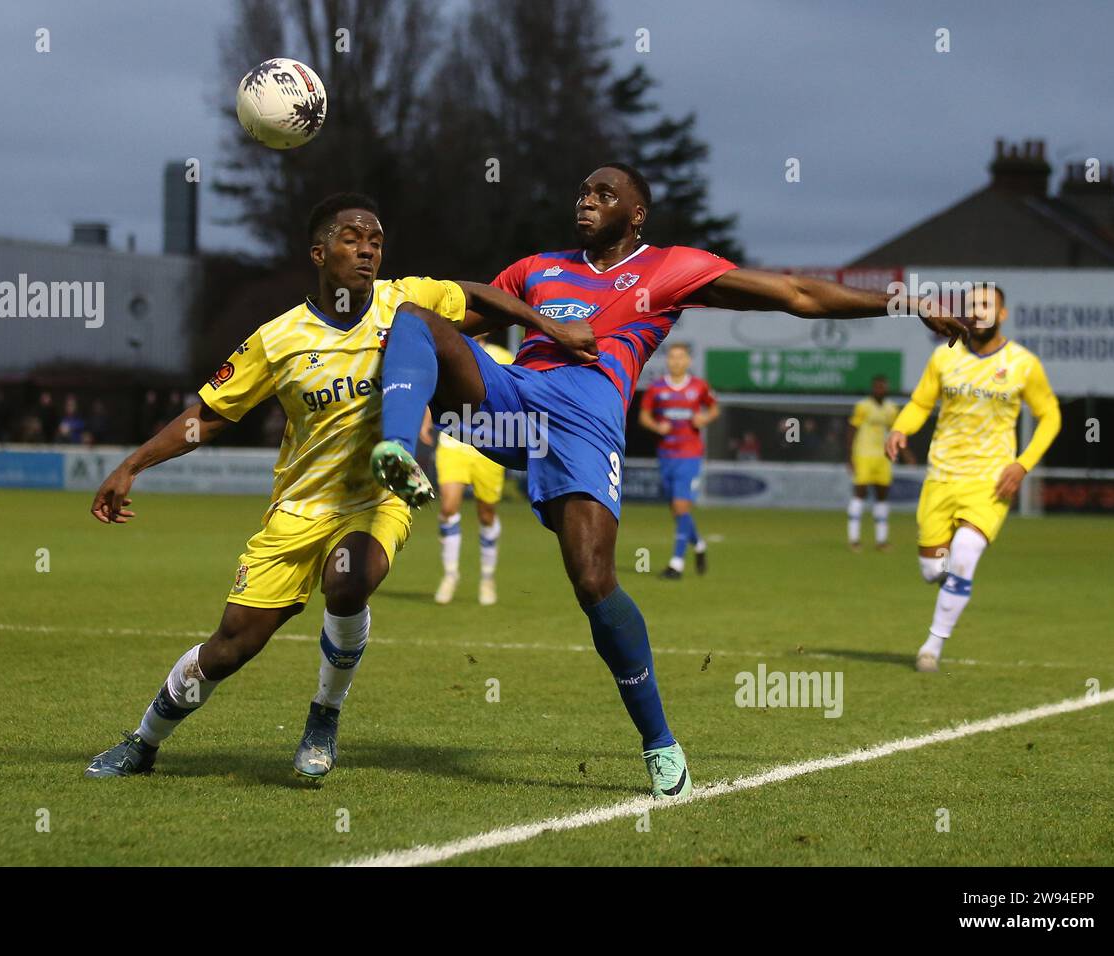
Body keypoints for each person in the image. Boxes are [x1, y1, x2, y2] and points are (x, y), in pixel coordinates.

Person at [370, 163, 969, 797]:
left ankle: (660, 743)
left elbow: (797, 294)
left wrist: (903, 302)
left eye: (605, 194)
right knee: (413, 317)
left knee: (593, 581)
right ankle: (398, 450)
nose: (587, 201)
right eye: (582, 191)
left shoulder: (669, 269)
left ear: (636, 216)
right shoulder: (535, 269)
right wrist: (530, 325)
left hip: (583, 418)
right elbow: (464, 317)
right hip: (511, 405)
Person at [83, 192, 589, 781]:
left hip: (376, 500)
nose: (368, 248)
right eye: (353, 238)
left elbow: (476, 296)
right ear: (319, 253)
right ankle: (143, 743)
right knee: (231, 646)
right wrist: (133, 465)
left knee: (348, 584)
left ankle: (324, 713)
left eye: (375, 239)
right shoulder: (278, 339)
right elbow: (210, 414)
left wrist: (548, 324)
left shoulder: (405, 303)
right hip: (297, 509)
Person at [886, 284, 1060, 673]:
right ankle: (952, 584)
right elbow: (920, 403)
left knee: (964, 554)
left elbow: (1050, 415)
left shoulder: (1023, 363)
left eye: (987, 305)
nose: (978, 311)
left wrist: (1023, 463)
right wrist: (901, 428)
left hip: (991, 480)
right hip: (942, 478)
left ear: (1002, 314)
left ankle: (931, 647)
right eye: (972, 306)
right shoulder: (943, 357)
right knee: (934, 570)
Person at [421, 334, 516, 605]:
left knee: (486, 514)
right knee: (448, 508)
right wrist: (426, 421)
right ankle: (450, 575)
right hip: (453, 442)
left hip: (490, 446)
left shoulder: (501, 356)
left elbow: (515, 392)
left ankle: (487, 577)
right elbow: (435, 389)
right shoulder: (448, 353)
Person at [638, 343, 717, 578]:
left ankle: (676, 564)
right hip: (666, 455)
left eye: (680, 357)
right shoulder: (657, 388)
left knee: (682, 506)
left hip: (690, 455)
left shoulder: (699, 387)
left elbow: (713, 409)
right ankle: (700, 544)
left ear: (688, 361)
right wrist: (656, 425)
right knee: (676, 510)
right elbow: (644, 416)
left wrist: (703, 418)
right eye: (672, 357)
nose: (676, 361)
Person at [845, 374, 899, 551]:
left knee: (882, 496)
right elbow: (852, 429)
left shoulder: (891, 408)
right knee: (859, 493)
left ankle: (882, 540)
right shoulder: (863, 406)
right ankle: (854, 539)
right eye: (877, 386)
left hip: (883, 457)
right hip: (864, 454)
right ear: (873, 388)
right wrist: (849, 456)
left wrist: (905, 453)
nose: (880, 389)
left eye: (882, 386)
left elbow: (896, 431)